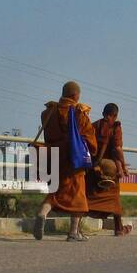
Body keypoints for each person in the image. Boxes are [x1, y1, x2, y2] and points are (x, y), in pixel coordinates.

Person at [33, 81, 97, 241]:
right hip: (73, 159)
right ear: (76, 95)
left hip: (54, 157)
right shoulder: (79, 113)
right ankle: (73, 232)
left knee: (55, 192)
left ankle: (42, 213)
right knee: (77, 196)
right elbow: (89, 139)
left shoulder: (48, 112)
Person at [87, 103, 130, 236]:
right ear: (115, 115)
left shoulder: (94, 126)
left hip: (94, 168)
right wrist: (123, 166)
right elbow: (117, 149)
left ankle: (75, 227)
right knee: (113, 198)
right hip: (110, 170)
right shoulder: (115, 127)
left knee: (89, 196)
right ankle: (118, 228)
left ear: (103, 113)